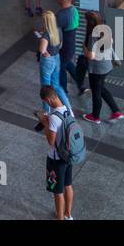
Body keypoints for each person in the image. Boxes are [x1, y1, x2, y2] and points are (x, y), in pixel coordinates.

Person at [38, 85, 74, 220]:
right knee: (68, 185)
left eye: (45, 102)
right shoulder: (68, 110)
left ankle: (60, 218)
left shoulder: (53, 117)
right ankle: (68, 215)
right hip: (68, 155)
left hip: (56, 160)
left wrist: (45, 123)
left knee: (57, 191)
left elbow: (51, 141)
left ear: (48, 99)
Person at [82, 13, 124, 124]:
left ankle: (95, 116)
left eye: (86, 21)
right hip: (106, 66)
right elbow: (111, 42)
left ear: (90, 23)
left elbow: (91, 56)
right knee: (101, 88)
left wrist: (84, 48)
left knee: (96, 92)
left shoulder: (92, 35)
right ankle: (116, 111)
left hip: (97, 69)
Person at [35, 11, 70, 117]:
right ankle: (68, 108)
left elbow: (42, 50)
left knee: (46, 87)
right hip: (57, 58)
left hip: (48, 61)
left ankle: (46, 112)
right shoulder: (58, 30)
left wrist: (46, 52)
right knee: (56, 85)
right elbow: (60, 45)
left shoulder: (46, 35)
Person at [56, 0, 86, 96]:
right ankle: (81, 84)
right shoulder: (74, 9)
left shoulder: (61, 15)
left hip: (64, 44)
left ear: (62, 1)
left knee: (61, 67)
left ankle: (63, 91)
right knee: (68, 63)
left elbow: (56, 32)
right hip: (71, 42)